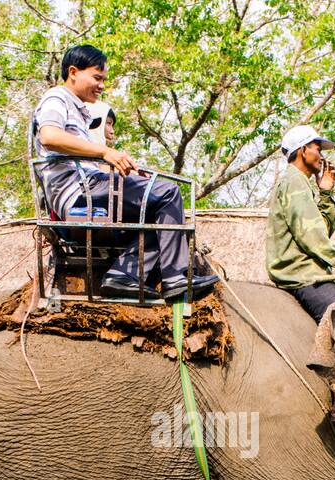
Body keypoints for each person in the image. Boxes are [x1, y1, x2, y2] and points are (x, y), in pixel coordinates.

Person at [33, 45, 218, 299]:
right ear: (73, 72)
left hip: (87, 186)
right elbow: (49, 136)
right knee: (168, 192)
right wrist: (104, 152)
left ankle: (123, 274)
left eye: (104, 80)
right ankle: (176, 276)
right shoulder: (56, 98)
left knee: (157, 210)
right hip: (78, 192)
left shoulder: (78, 108)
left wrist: (126, 173)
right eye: (97, 78)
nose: (101, 86)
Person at [266, 124, 335, 321]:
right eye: (318, 149)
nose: (321, 156)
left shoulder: (300, 182)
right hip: (301, 276)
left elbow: (321, 230)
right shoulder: (293, 181)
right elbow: (312, 236)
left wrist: (326, 193)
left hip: (311, 274)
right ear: (303, 150)